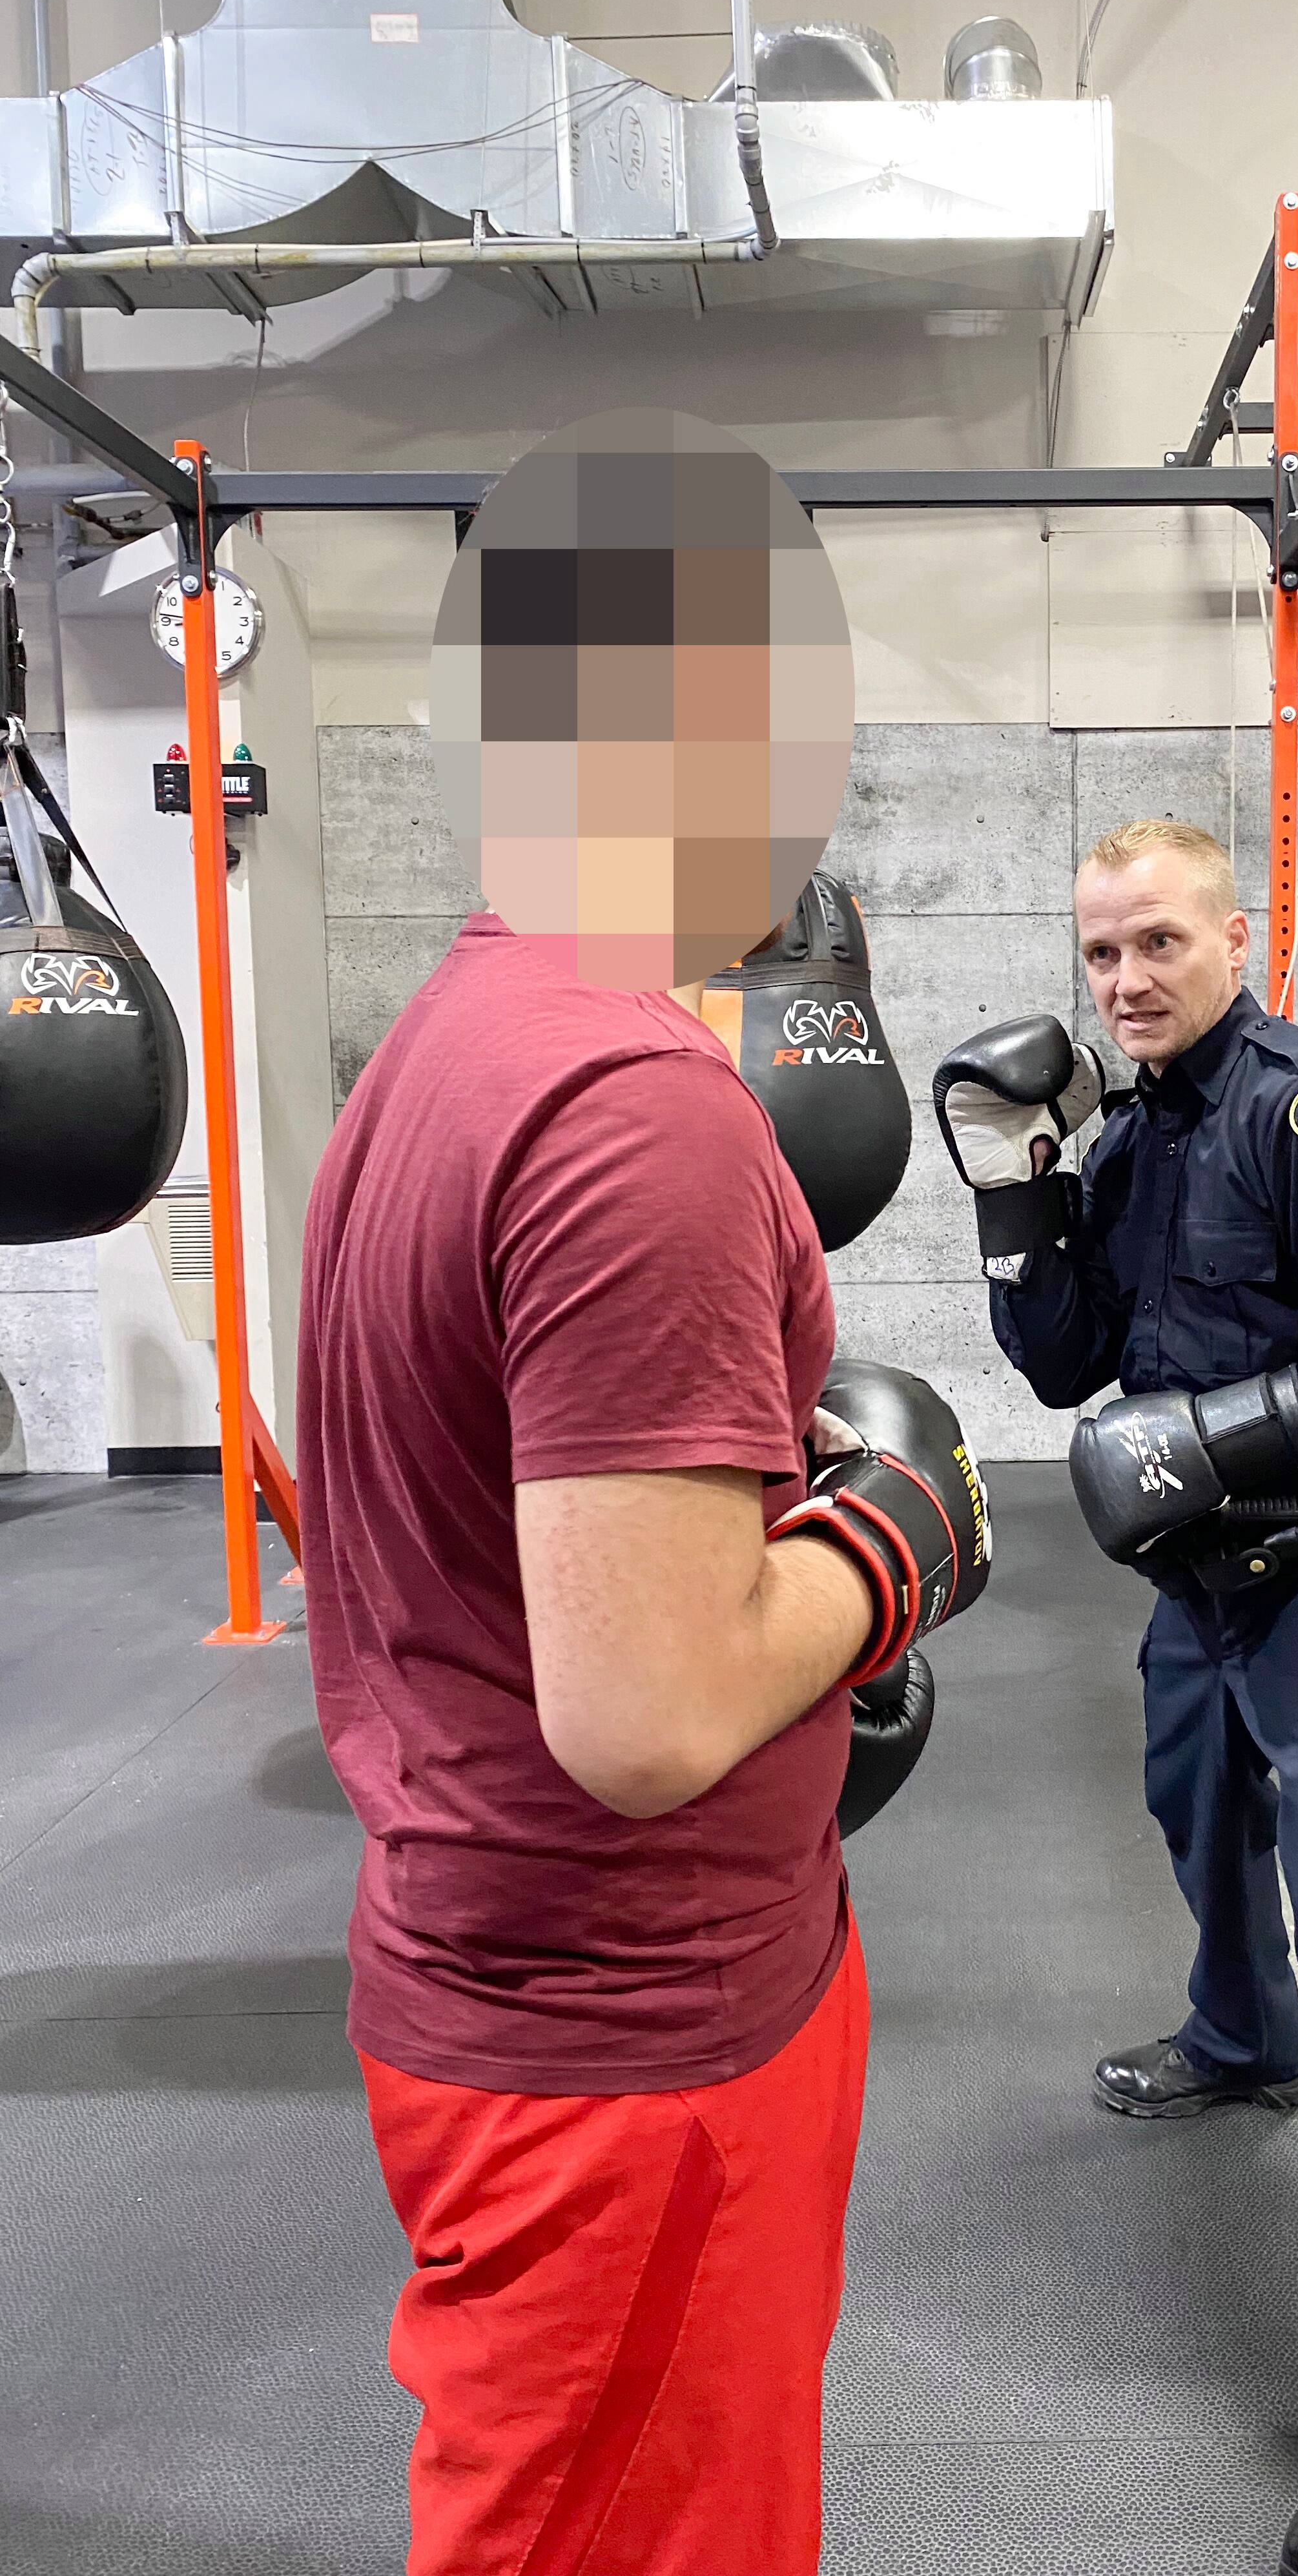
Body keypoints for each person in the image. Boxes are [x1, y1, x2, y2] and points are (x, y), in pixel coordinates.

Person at [296, 905, 987, 2576]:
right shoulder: (636, 1108)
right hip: (637, 2050)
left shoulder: (459, 1026)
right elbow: (652, 1714)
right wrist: (899, 1541)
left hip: (543, 1970)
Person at [933, 821, 1298, 2576]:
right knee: (1192, 1812)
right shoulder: (1130, 1138)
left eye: (1159, 942)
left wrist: (1214, 1434)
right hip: (1203, 1589)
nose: (1125, 981)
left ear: (1237, 934)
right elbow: (1067, 1357)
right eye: (1100, 954)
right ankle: (1243, 2032)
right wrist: (1018, 1194)